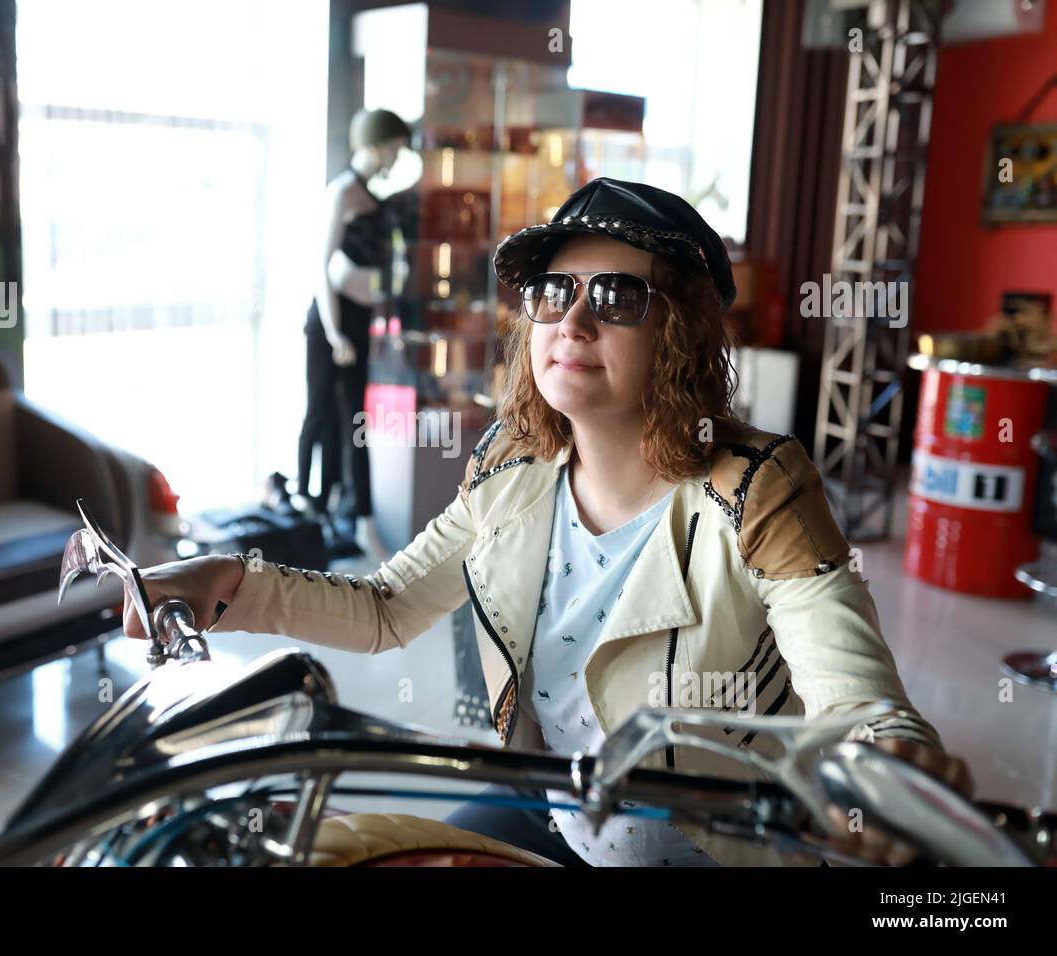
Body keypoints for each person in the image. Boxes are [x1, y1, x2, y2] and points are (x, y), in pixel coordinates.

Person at [124, 178, 972, 867]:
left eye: (615, 296)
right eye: (553, 291)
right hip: (549, 807)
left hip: (708, 852)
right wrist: (226, 582)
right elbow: (388, 608)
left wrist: (890, 759)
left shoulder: (756, 487)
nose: (573, 320)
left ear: (679, 330)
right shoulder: (511, 464)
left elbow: (859, 697)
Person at [296, 108, 410, 560]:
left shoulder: (373, 197)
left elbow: (381, 270)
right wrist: (333, 330)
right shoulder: (341, 191)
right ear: (375, 143)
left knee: (355, 422)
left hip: (360, 319)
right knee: (319, 411)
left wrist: (378, 322)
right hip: (332, 318)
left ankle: (361, 517)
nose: (398, 155)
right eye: (395, 146)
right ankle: (308, 506)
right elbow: (321, 267)